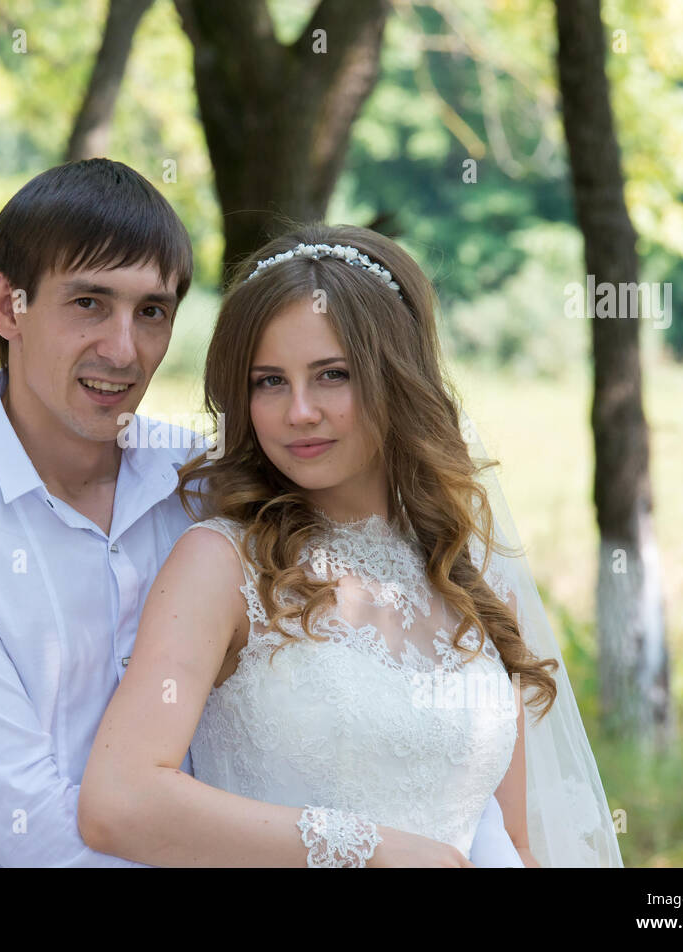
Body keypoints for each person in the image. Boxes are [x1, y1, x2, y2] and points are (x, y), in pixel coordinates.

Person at [0, 159, 519, 866]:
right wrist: (356, 850)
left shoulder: (209, 482)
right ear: (9, 307)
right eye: (89, 303)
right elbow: (31, 826)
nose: (123, 349)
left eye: (151, 312)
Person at [77, 223, 624, 868]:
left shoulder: (471, 582)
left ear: (395, 377)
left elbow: (516, 843)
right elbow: (119, 800)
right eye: (268, 381)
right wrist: (366, 849)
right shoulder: (223, 565)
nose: (299, 412)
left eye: (332, 375)